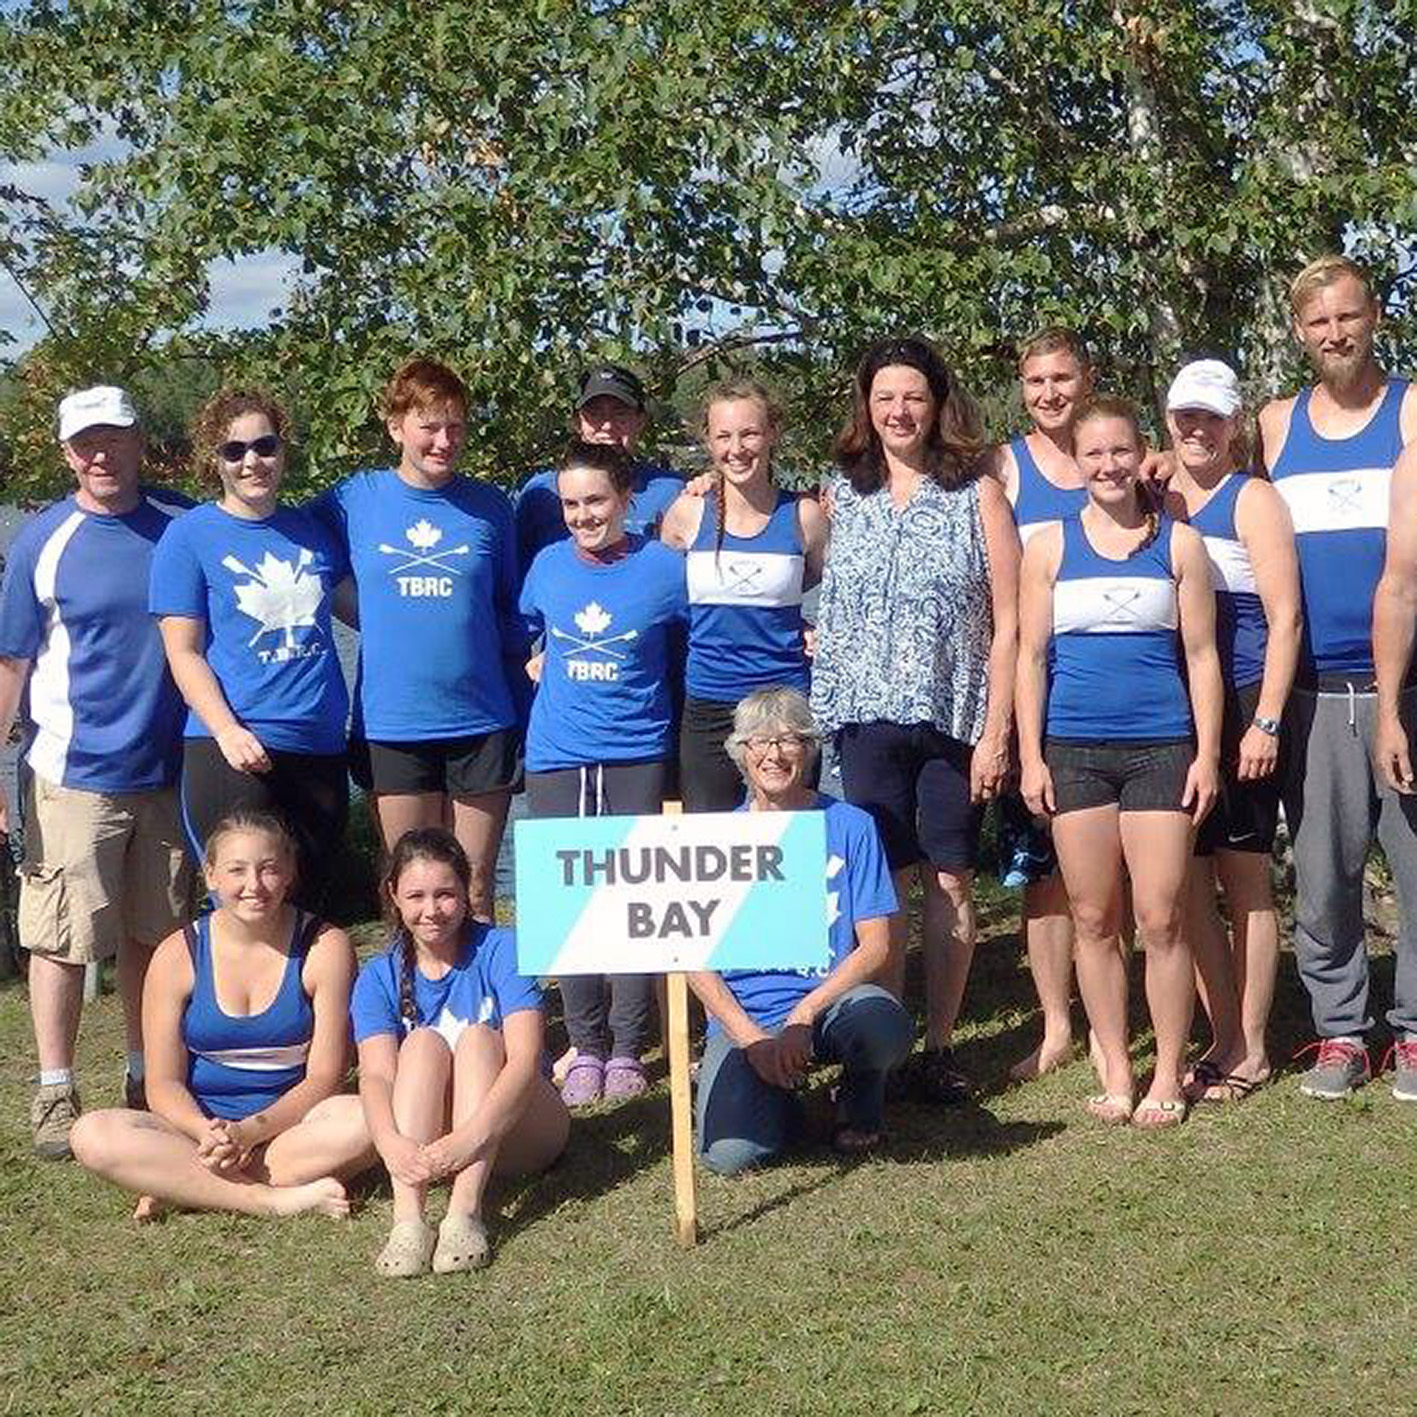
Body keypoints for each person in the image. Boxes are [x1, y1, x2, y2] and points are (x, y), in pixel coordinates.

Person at [810, 335, 1018, 1103]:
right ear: (865, 407)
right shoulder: (840, 495)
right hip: (864, 719)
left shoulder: (977, 494)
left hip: (951, 718)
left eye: (914, 397)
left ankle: (938, 1045)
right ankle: (881, 1043)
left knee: (950, 877)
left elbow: (1011, 622)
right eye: (885, 397)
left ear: (937, 406)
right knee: (881, 884)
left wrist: (996, 732)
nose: (899, 411)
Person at [0, 385, 194, 1159]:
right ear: (67, 453)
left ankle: (146, 1078)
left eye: (113, 438)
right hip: (72, 774)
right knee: (61, 938)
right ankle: (55, 1088)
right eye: (86, 443)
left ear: (139, 441)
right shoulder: (43, 541)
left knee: (154, 932)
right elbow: (11, 663)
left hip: (168, 772)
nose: (101, 455)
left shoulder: (182, 525)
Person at [1017, 395, 1221, 1127]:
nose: (1108, 465)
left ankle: (1166, 1068)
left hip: (1160, 746)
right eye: (1094, 453)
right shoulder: (1048, 547)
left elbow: (1202, 656)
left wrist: (1206, 753)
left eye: (1120, 451)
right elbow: (1029, 657)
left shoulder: (1179, 545)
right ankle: (1114, 1063)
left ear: (1141, 456)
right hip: (1073, 749)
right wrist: (1031, 756)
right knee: (1093, 916)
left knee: (1161, 917)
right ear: (1076, 463)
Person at [1260, 254, 1417, 1099]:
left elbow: (1404, 575)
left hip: (1403, 690)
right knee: (1322, 877)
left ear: (1374, 317)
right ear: (1298, 331)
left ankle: (1414, 1031)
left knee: (1415, 867)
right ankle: (1340, 1032)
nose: (1334, 333)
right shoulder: (1275, 425)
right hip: (1312, 692)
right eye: (1317, 321)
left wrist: (1392, 703)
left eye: (1347, 316)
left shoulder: (1410, 410)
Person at [69, 811, 370, 1217]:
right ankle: (269, 1200)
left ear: (289, 873)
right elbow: (163, 1083)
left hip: (290, 1129)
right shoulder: (178, 953)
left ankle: (184, 1184)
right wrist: (205, 1132)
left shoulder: (325, 946)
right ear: (210, 876)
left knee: (369, 1119)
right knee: (92, 1133)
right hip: (197, 1132)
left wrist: (249, 1132)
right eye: (237, 870)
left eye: (269, 869)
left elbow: (325, 1078)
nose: (254, 886)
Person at [309, 357, 526, 921]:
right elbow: (295, 551)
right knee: (408, 884)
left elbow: (510, 607)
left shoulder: (489, 506)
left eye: (455, 426)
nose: (444, 441)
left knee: (472, 885)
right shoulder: (353, 499)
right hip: (393, 722)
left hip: (481, 718)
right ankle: (406, 981)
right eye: (429, 426)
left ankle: (480, 979)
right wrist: (369, 613)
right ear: (395, 426)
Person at [519, 440, 687, 1105]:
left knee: (632, 901)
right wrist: (534, 658)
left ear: (625, 500)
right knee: (569, 903)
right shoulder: (546, 565)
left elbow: (702, 639)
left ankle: (626, 1046)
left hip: (636, 750)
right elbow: (523, 629)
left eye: (595, 500)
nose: (583, 515)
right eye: (570, 503)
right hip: (558, 753)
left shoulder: (664, 568)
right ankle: (585, 1043)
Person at [691, 688, 911, 1172]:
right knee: (730, 1158)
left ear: (809, 749)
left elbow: (877, 946)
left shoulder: (851, 825)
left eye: (789, 740)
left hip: (829, 1003)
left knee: (882, 1025)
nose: (773, 754)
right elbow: (692, 960)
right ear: (740, 752)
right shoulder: (711, 842)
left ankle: (859, 1099)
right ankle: (781, 1101)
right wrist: (750, 1038)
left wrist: (804, 1013)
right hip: (746, 1015)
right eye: (759, 741)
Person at [150, 389, 351, 910]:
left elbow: (366, 613)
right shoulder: (189, 537)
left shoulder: (311, 532)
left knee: (308, 910)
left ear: (282, 450)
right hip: (234, 751)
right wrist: (227, 729)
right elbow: (184, 652)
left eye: (264, 446)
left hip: (320, 747)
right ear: (213, 459)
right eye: (234, 450)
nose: (252, 462)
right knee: (245, 909)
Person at [1160, 360, 1301, 1102]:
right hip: (1177, 708)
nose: (1197, 430)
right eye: (1186, 416)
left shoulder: (1252, 499)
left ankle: (1251, 1044)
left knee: (1243, 875)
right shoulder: (1157, 496)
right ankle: (1220, 1036)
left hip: (1244, 702)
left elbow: (1286, 619)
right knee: (1185, 879)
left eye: (1211, 418)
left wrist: (1267, 720)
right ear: (1169, 420)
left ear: (1234, 423)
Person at [352, 828, 568, 1277]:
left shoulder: (502, 948)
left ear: (467, 893)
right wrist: (389, 1142)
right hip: (436, 1142)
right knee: (421, 1043)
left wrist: (471, 1137)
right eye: (416, 896)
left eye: (445, 894)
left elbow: (526, 1060)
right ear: (393, 895)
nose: (431, 910)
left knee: (478, 1039)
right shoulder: (377, 976)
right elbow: (376, 1076)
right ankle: (408, 1221)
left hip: (520, 1126)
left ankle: (464, 1213)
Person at [984, 328, 1092, 1081]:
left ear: (1086, 379)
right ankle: (1056, 1023)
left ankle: (1121, 1008)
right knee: (1043, 869)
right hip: (1033, 687)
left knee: (1115, 865)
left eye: (1061, 378)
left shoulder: (1119, 452)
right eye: (1036, 381)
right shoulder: (1002, 466)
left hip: (1110, 684)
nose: (1049, 393)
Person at [660, 378, 827, 812]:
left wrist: (809, 626)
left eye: (750, 433)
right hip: (709, 700)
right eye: (724, 436)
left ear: (772, 433)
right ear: (708, 441)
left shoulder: (805, 516)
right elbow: (660, 598)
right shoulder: (687, 513)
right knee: (711, 839)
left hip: (783, 701)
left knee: (791, 838)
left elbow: (828, 589)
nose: (737, 449)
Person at [515, 363, 683, 566]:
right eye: (595, 414)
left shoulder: (673, 492)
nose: (607, 425)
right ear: (578, 422)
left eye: (620, 413)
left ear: (640, 421)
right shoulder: (541, 493)